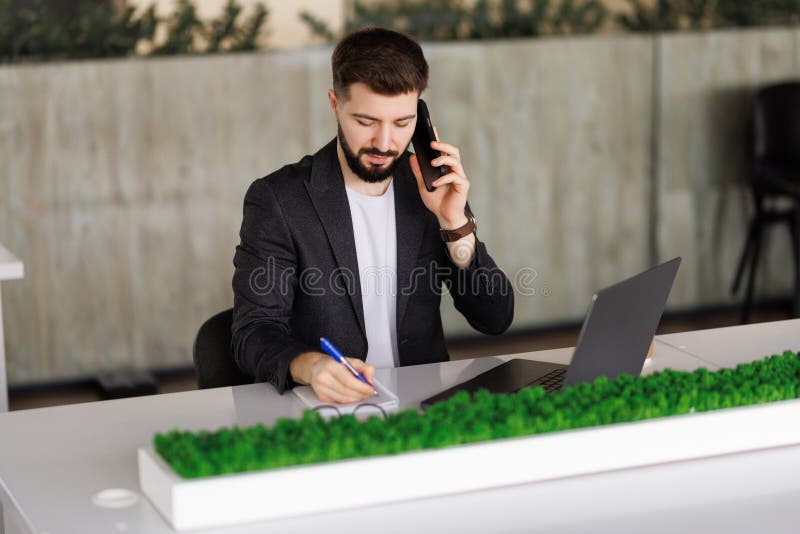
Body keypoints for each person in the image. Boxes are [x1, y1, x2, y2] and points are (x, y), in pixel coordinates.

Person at [232, 27, 513, 404]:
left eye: (402, 124)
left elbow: (495, 319)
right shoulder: (279, 200)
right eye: (366, 122)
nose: (384, 143)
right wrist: (311, 366)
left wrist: (453, 222)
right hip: (329, 412)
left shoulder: (429, 188)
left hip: (422, 409)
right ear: (335, 105)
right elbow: (254, 331)